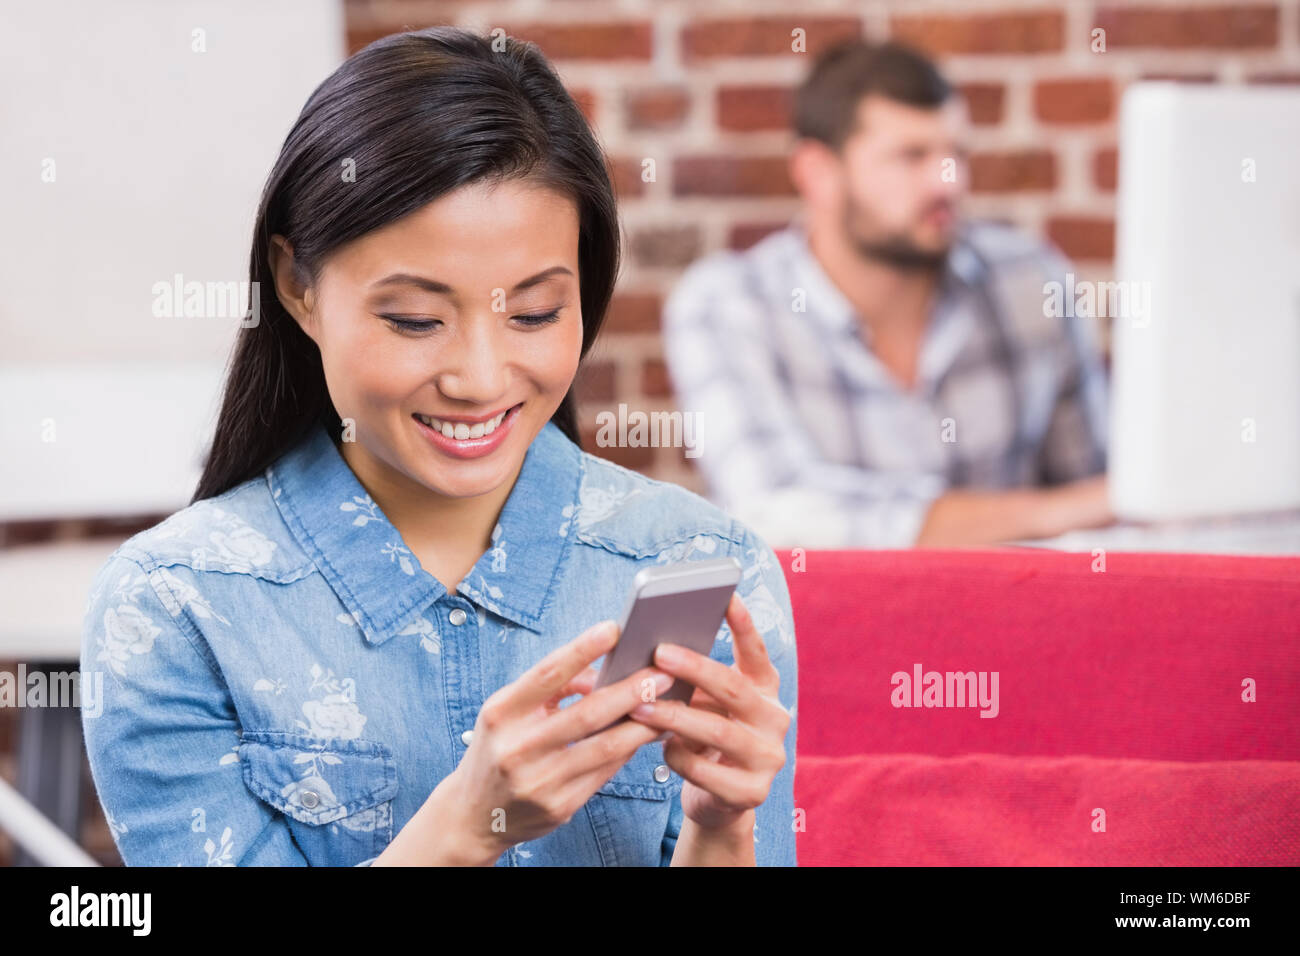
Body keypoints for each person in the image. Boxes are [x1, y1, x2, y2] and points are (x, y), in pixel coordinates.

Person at [80, 27, 796, 867]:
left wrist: (720, 830)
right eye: (416, 320)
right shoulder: (174, 609)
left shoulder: (700, 566)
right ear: (297, 286)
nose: (480, 379)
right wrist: (463, 828)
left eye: (533, 314)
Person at [663, 40, 1113, 549]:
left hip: (1019, 618)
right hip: (824, 626)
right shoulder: (728, 304)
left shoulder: (1033, 283)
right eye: (911, 156)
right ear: (818, 173)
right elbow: (779, 513)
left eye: (955, 154)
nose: (948, 182)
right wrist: (1047, 516)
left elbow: (1103, 502)